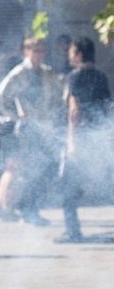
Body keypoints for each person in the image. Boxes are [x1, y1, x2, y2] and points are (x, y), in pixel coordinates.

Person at [0, 37, 61, 225]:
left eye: (42, 50)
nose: (39, 54)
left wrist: (53, 115)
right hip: (27, 130)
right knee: (29, 169)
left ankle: (26, 208)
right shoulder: (19, 73)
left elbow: (58, 97)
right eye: (35, 50)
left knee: (46, 168)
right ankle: (28, 210)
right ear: (26, 51)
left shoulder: (48, 72)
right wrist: (16, 115)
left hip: (45, 128)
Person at [57, 37, 111, 242]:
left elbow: (74, 111)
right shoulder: (101, 76)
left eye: (72, 52)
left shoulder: (75, 76)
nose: (69, 56)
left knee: (68, 186)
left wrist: (72, 143)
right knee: (107, 183)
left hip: (81, 138)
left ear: (79, 54)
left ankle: (72, 231)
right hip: (99, 137)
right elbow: (108, 108)